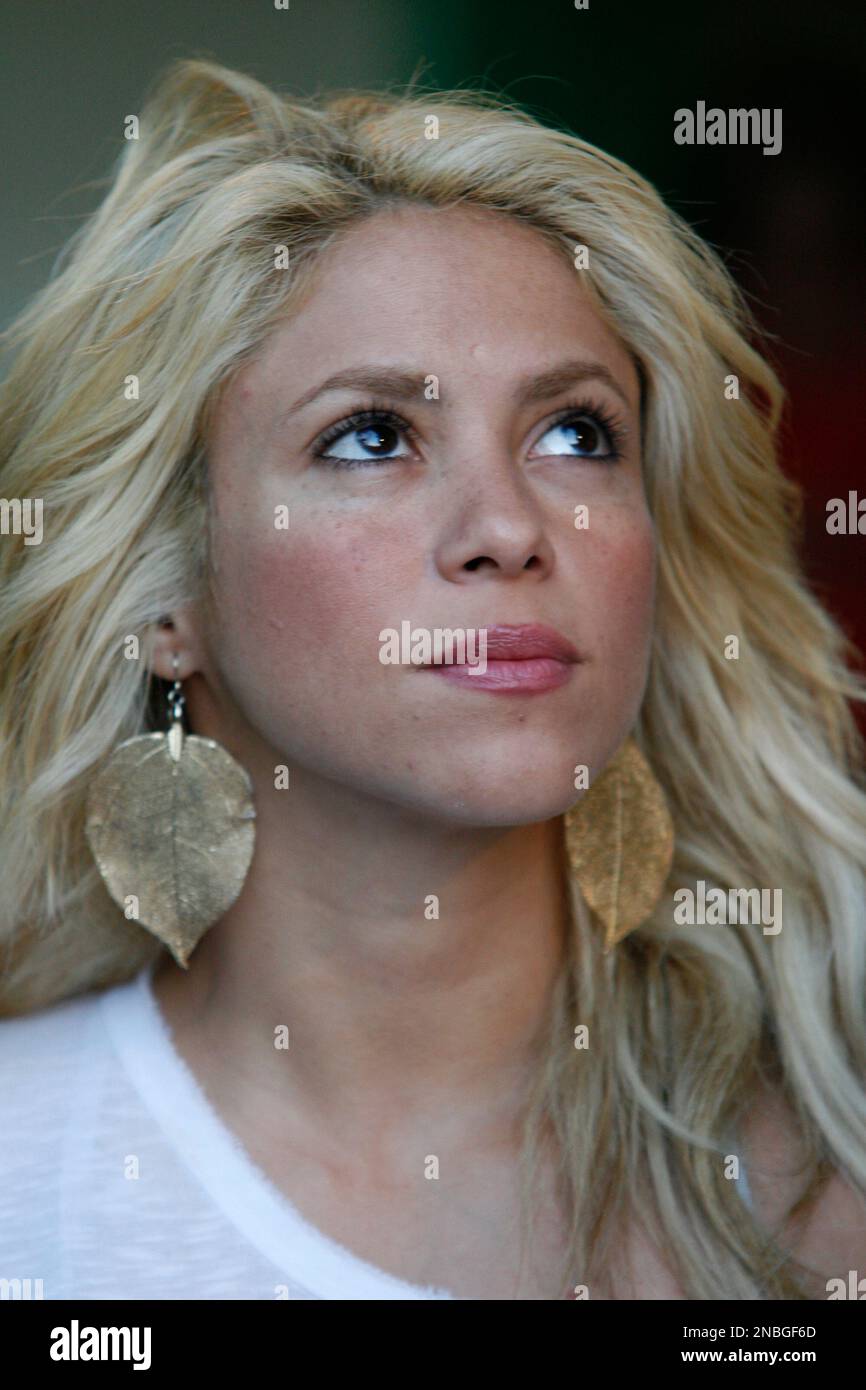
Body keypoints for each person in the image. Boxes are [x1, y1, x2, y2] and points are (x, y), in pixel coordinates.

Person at [0, 57, 864, 1301]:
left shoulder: (826, 1173)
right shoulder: (33, 1183)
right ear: (169, 600)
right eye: (371, 436)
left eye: (575, 433)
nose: (508, 528)